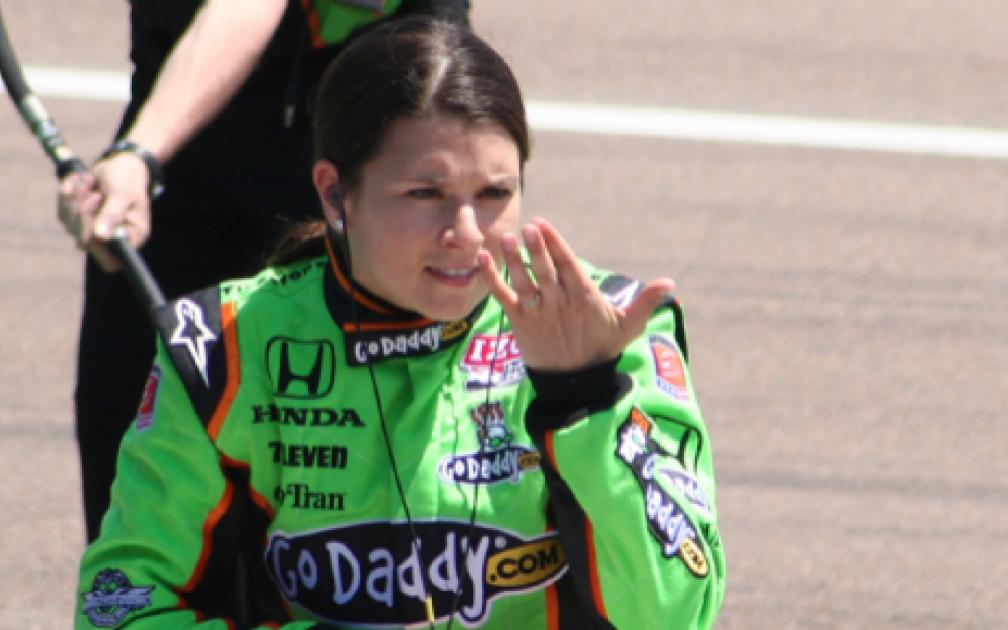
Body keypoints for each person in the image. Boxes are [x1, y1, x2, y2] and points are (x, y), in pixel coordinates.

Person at [76, 16, 725, 629]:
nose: (465, 233)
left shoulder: (606, 330)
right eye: (425, 194)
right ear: (335, 194)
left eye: (494, 194)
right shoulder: (222, 347)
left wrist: (584, 398)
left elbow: (676, 615)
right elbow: (118, 606)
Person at [58, 0, 471, 542]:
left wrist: (139, 153)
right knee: (130, 426)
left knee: (371, 460)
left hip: (365, 111)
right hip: (185, 103)